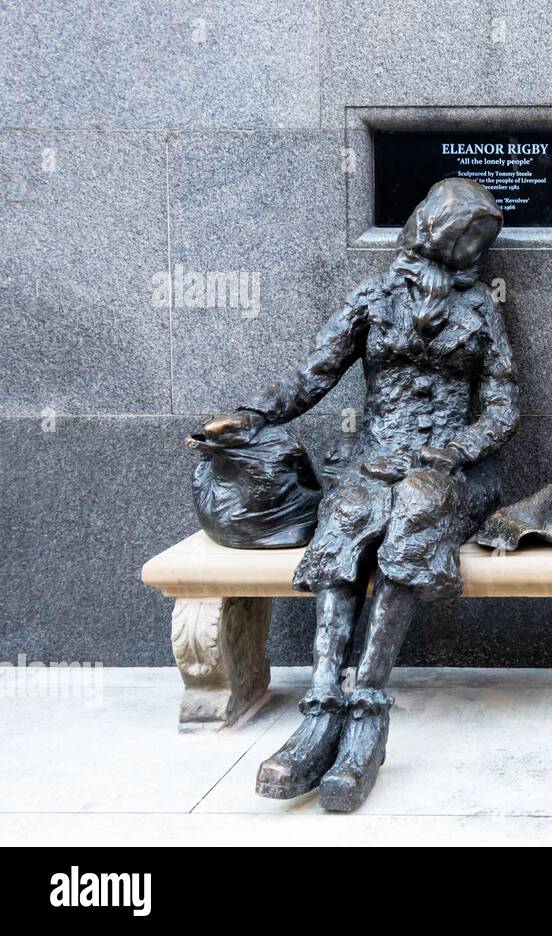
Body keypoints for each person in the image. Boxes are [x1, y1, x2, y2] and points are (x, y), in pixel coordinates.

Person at [199, 178, 518, 812]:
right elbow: (312, 373)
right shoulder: (371, 300)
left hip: (449, 469)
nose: (467, 247)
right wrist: (253, 414)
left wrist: (455, 451)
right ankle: (321, 711)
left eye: (478, 240)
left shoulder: (481, 307)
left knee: (418, 509)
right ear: (428, 227)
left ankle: (368, 710)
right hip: (373, 460)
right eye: (459, 232)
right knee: (347, 513)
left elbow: (505, 405)